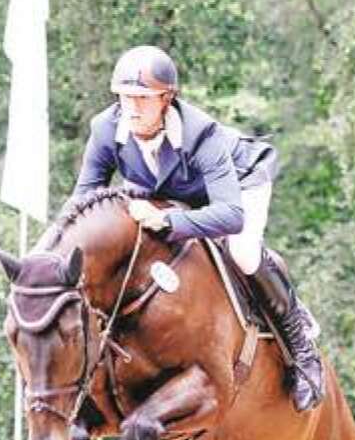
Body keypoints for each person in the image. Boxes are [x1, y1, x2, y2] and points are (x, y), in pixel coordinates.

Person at [72, 45, 325, 412]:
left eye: (142, 98)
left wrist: (168, 221)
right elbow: (83, 201)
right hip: (173, 190)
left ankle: (301, 348)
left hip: (240, 184)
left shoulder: (200, 134)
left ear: (166, 99)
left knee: (242, 252)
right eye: (125, 97)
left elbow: (230, 215)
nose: (132, 108)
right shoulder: (105, 129)